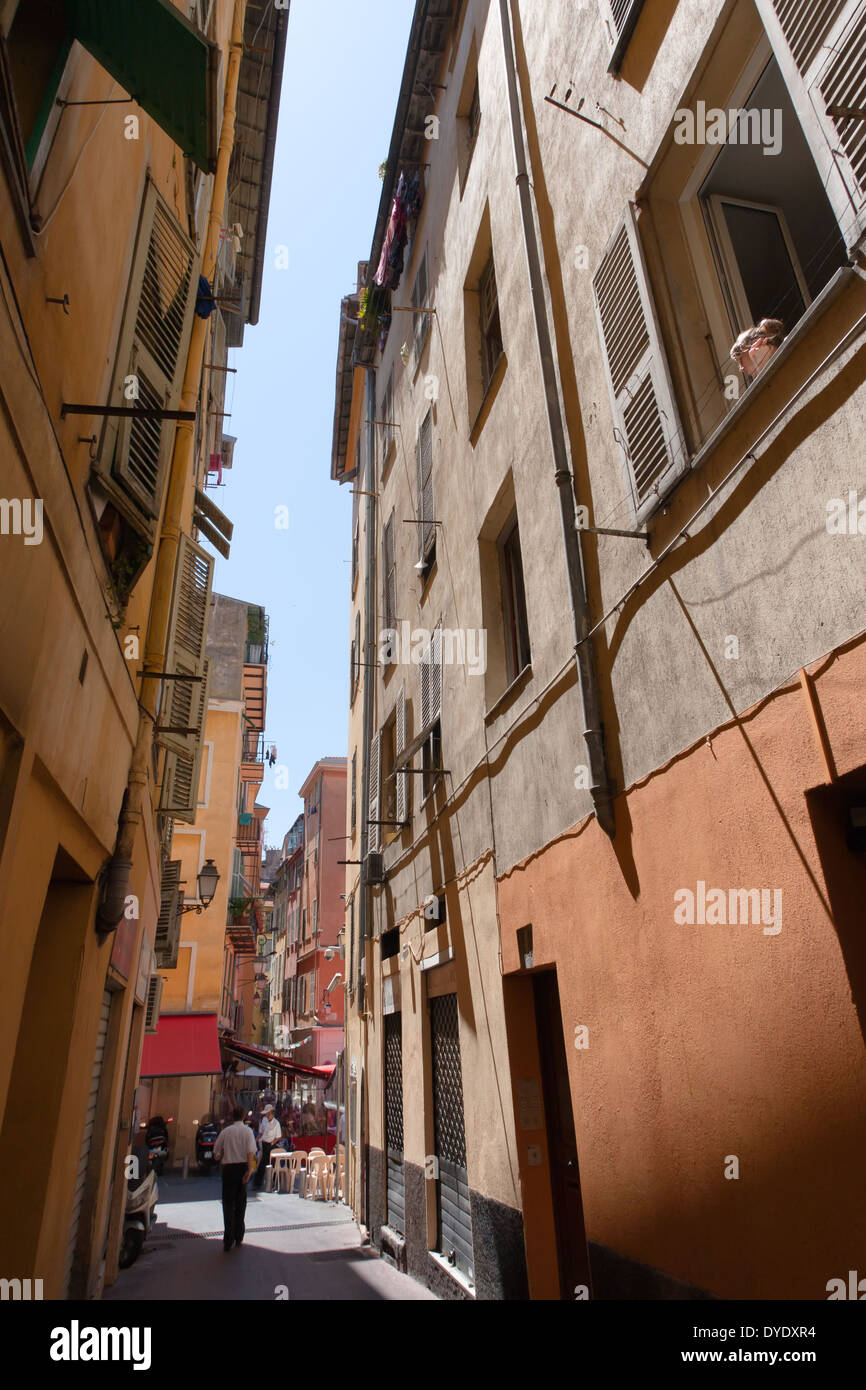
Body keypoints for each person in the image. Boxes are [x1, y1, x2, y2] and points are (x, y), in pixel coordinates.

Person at [213, 1102, 257, 1252]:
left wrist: (220, 1155)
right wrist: (249, 1171)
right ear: (244, 1116)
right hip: (242, 1168)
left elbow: (217, 1152)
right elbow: (250, 1152)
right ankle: (239, 1236)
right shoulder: (248, 1131)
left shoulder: (226, 1131)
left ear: (232, 1117)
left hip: (229, 1169)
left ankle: (228, 1239)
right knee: (240, 1203)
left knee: (228, 1204)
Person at [255, 1103, 282, 1188]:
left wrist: (272, 1143)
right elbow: (261, 1132)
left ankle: (273, 1182)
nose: (266, 1115)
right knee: (263, 1163)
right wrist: (256, 1141)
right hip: (264, 1143)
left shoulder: (276, 1123)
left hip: (271, 1145)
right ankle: (259, 1183)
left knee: (270, 1163)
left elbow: (278, 1136)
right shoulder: (263, 1120)